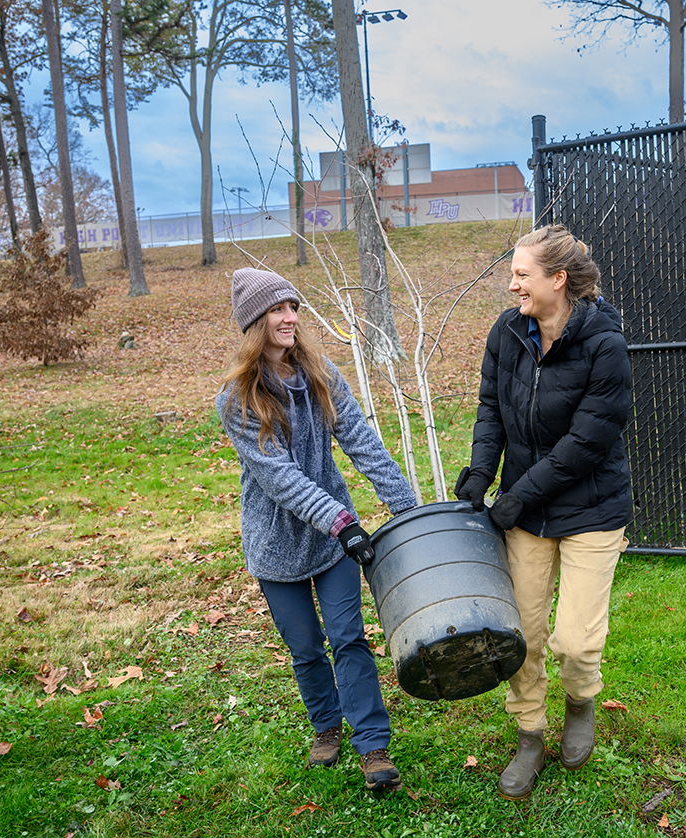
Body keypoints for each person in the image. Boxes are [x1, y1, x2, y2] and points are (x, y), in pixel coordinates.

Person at [215, 267, 416, 793]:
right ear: (255, 323)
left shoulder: (322, 373)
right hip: (278, 545)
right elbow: (280, 478)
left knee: (349, 638)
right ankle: (326, 726)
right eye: (277, 310)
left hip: (332, 542)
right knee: (306, 647)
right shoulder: (237, 398)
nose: (289, 317)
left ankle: (372, 746)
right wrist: (344, 522)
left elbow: (361, 440)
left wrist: (406, 507)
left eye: (293, 307)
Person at [455, 225, 633, 801]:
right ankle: (530, 734)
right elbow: (491, 410)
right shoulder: (507, 333)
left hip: (592, 511)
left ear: (558, 280)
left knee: (574, 644)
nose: (512, 286)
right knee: (523, 638)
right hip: (527, 516)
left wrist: (519, 493)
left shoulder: (605, 344)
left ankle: (581, 701)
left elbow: (586, 444)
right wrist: (482, 473)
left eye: (522, 275)